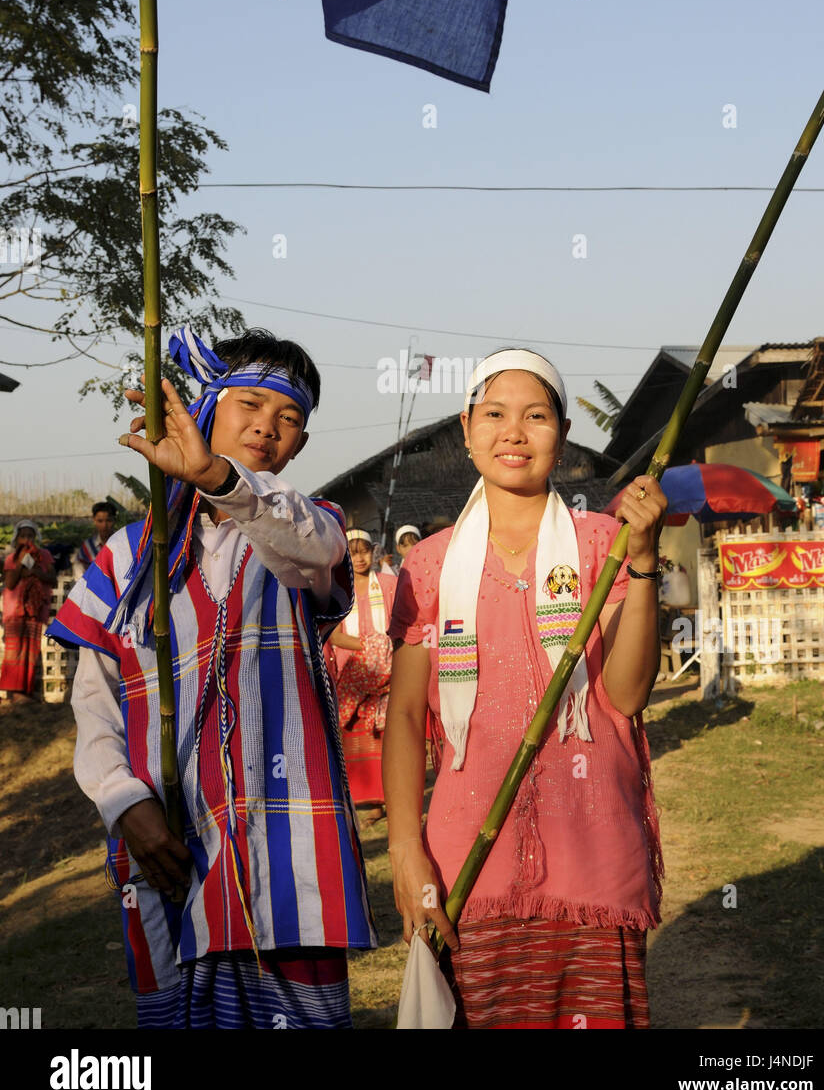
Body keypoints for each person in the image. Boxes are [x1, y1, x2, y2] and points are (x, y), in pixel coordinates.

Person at [48, 326, 376, 1029]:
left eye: (288, 418)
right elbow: (95, 702)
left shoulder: (303, 529)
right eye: (248, 405)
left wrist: (220, 483)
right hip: (169, 839)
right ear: (203, 412)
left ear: (301, 446)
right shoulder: (128, 558)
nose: (266, 427)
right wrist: (122, 801)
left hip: (290, 850)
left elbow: (312, 549)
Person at [383, 348, 667, 1030]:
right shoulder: (429, 565)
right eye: (495, 415)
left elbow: (625, 698)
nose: (513, 432)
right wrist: (403, 849)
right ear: (466, 428)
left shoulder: (605, 544)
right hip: (468, 866)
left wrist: (646, 562)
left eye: (535, 417)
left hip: (593, 859)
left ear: (561, 435)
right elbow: (402, 720)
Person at [327, 530, 396, 825]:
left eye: (364, 551)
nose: (359, 558)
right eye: (353, 553)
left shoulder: (391, 584)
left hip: (390, 671)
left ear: (374, 552)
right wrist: (368, 646)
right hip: (354, 673)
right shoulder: (338, 591)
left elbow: (404, 621)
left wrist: (384, 649)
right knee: (357, 738)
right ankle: (368, 803)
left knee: (387, 736)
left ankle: (392, 799)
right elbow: (332, 634)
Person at [1, 520, 56, 709]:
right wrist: (20, 562)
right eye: (23, 535)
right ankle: (13, 692)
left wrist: (34, 571)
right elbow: (10, 583)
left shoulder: (44, 555)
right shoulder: (11, 558)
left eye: (30, 536)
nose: (27, 539)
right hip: (15, 610)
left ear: (35, 538)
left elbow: (52, 578)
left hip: (34, 610)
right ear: (17, 538)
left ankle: (25, 692)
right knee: (14, 651)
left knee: (30, 652)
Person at [76, 500, 118, 573]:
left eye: (108, 521)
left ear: (114, 520)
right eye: (100, 521)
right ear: (94, 521)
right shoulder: (88, 546)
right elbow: (81, 573)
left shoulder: (122, 544)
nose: (104, 525)